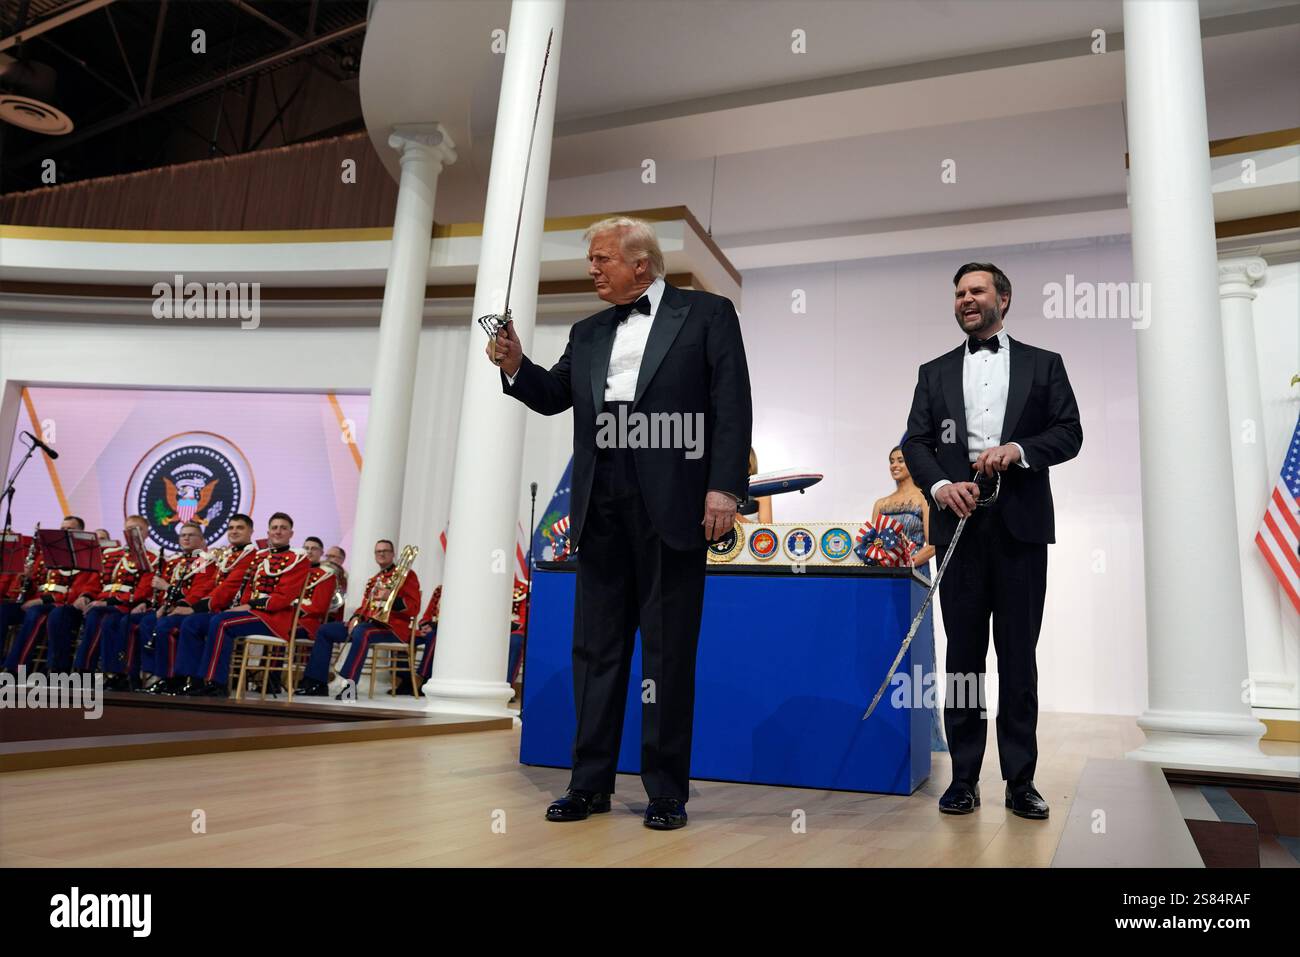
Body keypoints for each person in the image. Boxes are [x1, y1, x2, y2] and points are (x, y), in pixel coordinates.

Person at [490, 216, 752, 830]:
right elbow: (553, 394)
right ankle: (590, 784)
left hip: (677, 503)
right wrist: (515, 363)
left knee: (668, 655)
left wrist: (724, 489)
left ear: (641, 264)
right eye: (591, 259)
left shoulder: (708, 315)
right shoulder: (586, 332)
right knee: (596, 653)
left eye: (601, 258)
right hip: (600, 503)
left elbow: (733, 403)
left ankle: (666, 792)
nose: (592, 269)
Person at [901, 262, 1081, 820]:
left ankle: (1021, 782)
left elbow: (1069, 432)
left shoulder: (1044, 365)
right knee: (963, 660)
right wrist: (938, 485)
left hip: (1020, 529)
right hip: (957, 530)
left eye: (976, 291)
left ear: (1004, 297)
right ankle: (963, 778)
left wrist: (1020, 450)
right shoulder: (933, 372)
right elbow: (917, 441)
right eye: (958, 293)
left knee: (1018, 658)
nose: (965, 300)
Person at [180, 512, 310, 697]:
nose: (278, 531)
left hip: (274, 620)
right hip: (252, 614)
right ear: (268, 532)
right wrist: (239, 605)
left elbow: (283, 597)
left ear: (291, 533)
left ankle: (218, 683)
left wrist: (250, 605)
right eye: (274, 528)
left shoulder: (298, 559)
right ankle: (194, 681)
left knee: (222, 622)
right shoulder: (261, 557)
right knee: (199, 622)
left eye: (283, 528)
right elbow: (248, 586)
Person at [295, 540, 420, 697]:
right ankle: (316, 683)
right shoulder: (375, 579)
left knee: (362, 633)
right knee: (325, 630)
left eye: (385, 551)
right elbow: (364, 607)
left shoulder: (407, 575)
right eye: (378, 551)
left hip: (393, 628)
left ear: (393, 554)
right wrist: (355, 617)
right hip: (369, 624)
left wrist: (390, 597)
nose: (381, 554)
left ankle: (349, 687)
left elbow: (414, 608)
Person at [164, 513, 257, 695]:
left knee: (199, 622)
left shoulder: (251, 555)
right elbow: (211, 584)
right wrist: (188, 603)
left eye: (240, 527)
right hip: (219, 608)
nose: (234, 531)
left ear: (251, 531)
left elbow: (228, 588)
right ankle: (192, 680)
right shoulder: (227, 555)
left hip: (236, 609)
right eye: (231, 528)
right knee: (191, 623)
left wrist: (194, 608)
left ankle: (217, 683)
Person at [3, 516, 98, 673]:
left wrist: (43, 600)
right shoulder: (47, 554)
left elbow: (77, 591)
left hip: (60, 606)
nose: (64, 532)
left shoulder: (85, 556)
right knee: (4, 610)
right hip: (37, 602)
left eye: (70, 529)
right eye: (62, 529)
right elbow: (33, 586)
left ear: (80, 533)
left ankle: (18, 668)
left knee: (37, 614)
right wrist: (25, 577)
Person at [870, 447, 935, 567]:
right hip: (885, 571)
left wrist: (906, 565)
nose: (894, 465)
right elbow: (873, 543)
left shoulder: (924, 498)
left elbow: (933, 546)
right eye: (891, 461)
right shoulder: (880, 504)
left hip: (915, 570)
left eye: (900, 461)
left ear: (912, 463)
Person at [737, 448, 773, 524]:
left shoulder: (763, 493)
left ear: (750, 467)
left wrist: (734, 516)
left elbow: (765, 531)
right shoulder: (717, 492)